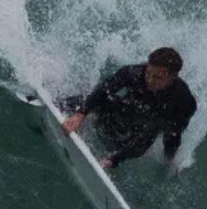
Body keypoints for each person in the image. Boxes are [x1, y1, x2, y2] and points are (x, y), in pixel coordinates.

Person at [61, 47, 197, 169]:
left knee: (155, 128)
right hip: (122, 114)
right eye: (148, 73)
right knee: (101, 99)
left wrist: (169, 160)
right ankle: (58, 105)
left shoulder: (183, 101)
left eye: (157, 77)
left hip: (136, 136)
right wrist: (81, 114)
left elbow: (173, 135)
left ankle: (111, 161)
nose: (150, 80)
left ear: (173, 77)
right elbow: (103, 90)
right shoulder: (134, 73)